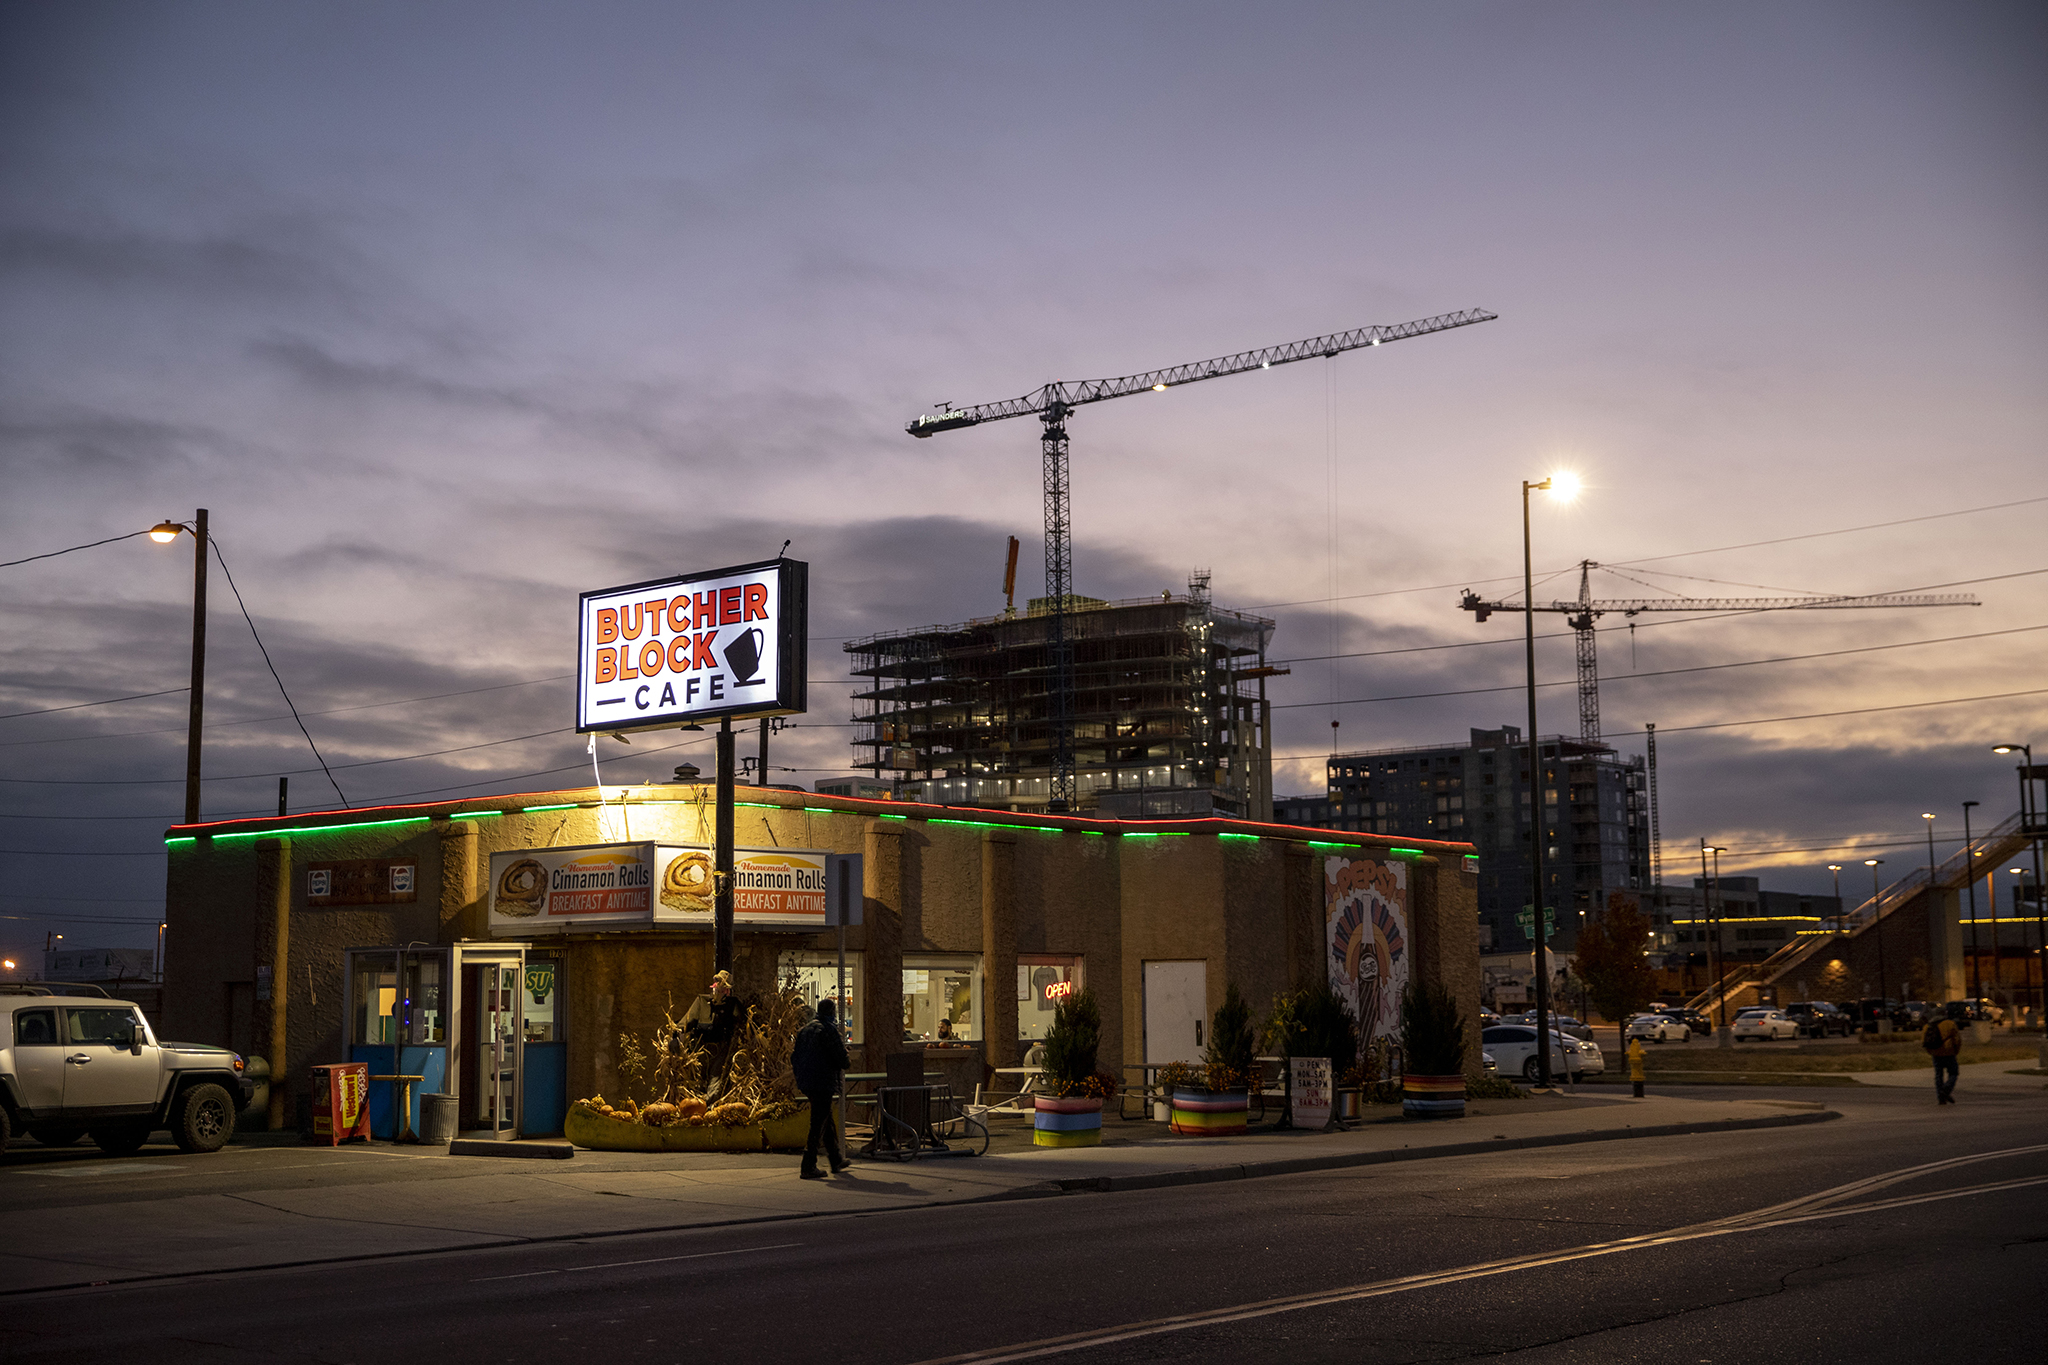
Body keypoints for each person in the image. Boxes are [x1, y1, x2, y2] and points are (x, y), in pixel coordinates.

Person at [791, 996, 851, 1178]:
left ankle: (835, 1158)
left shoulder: (805, 1030)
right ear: (832, 1013)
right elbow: (843, 1061)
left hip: (807, 1081)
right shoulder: (829, 1030)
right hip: (823, 1082)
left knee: (825, 1119)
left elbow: (794, 1057)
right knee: (817, 1123)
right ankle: (808, 1165)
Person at [682, 970, 742, 1099]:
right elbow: (687, 1022)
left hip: (720, 1049)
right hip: (700, 1048)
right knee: (698, 1080)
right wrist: (675, 1035)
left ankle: (710, 1106)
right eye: (717, 988)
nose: (719, 992)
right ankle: (696, 1107)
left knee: (716, 1079)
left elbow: (743, 1022)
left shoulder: (732, 1005)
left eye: (723, 989)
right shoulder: (702, 1001)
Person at [1924, 1011, 1962, 1104]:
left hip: (1935, 1053)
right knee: (1953, 1073)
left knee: (1938, 1075)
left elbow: (1925, 1041)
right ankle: (1945, 1090)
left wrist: (1931, 1052)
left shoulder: (1927, 1026)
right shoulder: (1950, 1024)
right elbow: (1957, 1039)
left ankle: (1940, 1096)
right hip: (1949, 1052)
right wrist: (1956, 1050)